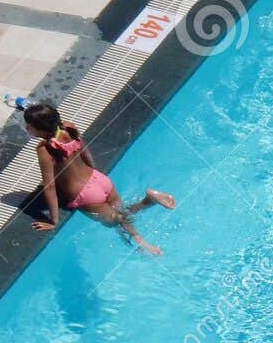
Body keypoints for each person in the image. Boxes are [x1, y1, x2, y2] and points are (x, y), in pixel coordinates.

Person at [22, 101, 174, 254]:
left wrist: (53, 221)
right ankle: (148, 200)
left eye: (29, 126)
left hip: (85, 194)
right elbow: (86, 153)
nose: (26, 128)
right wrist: (95, 177)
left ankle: (143, 243)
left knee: (115, 222)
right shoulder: (68, 127)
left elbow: (49, 186)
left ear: (40, 129)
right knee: (120, 212)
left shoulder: (44, 149)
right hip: (99, 179)